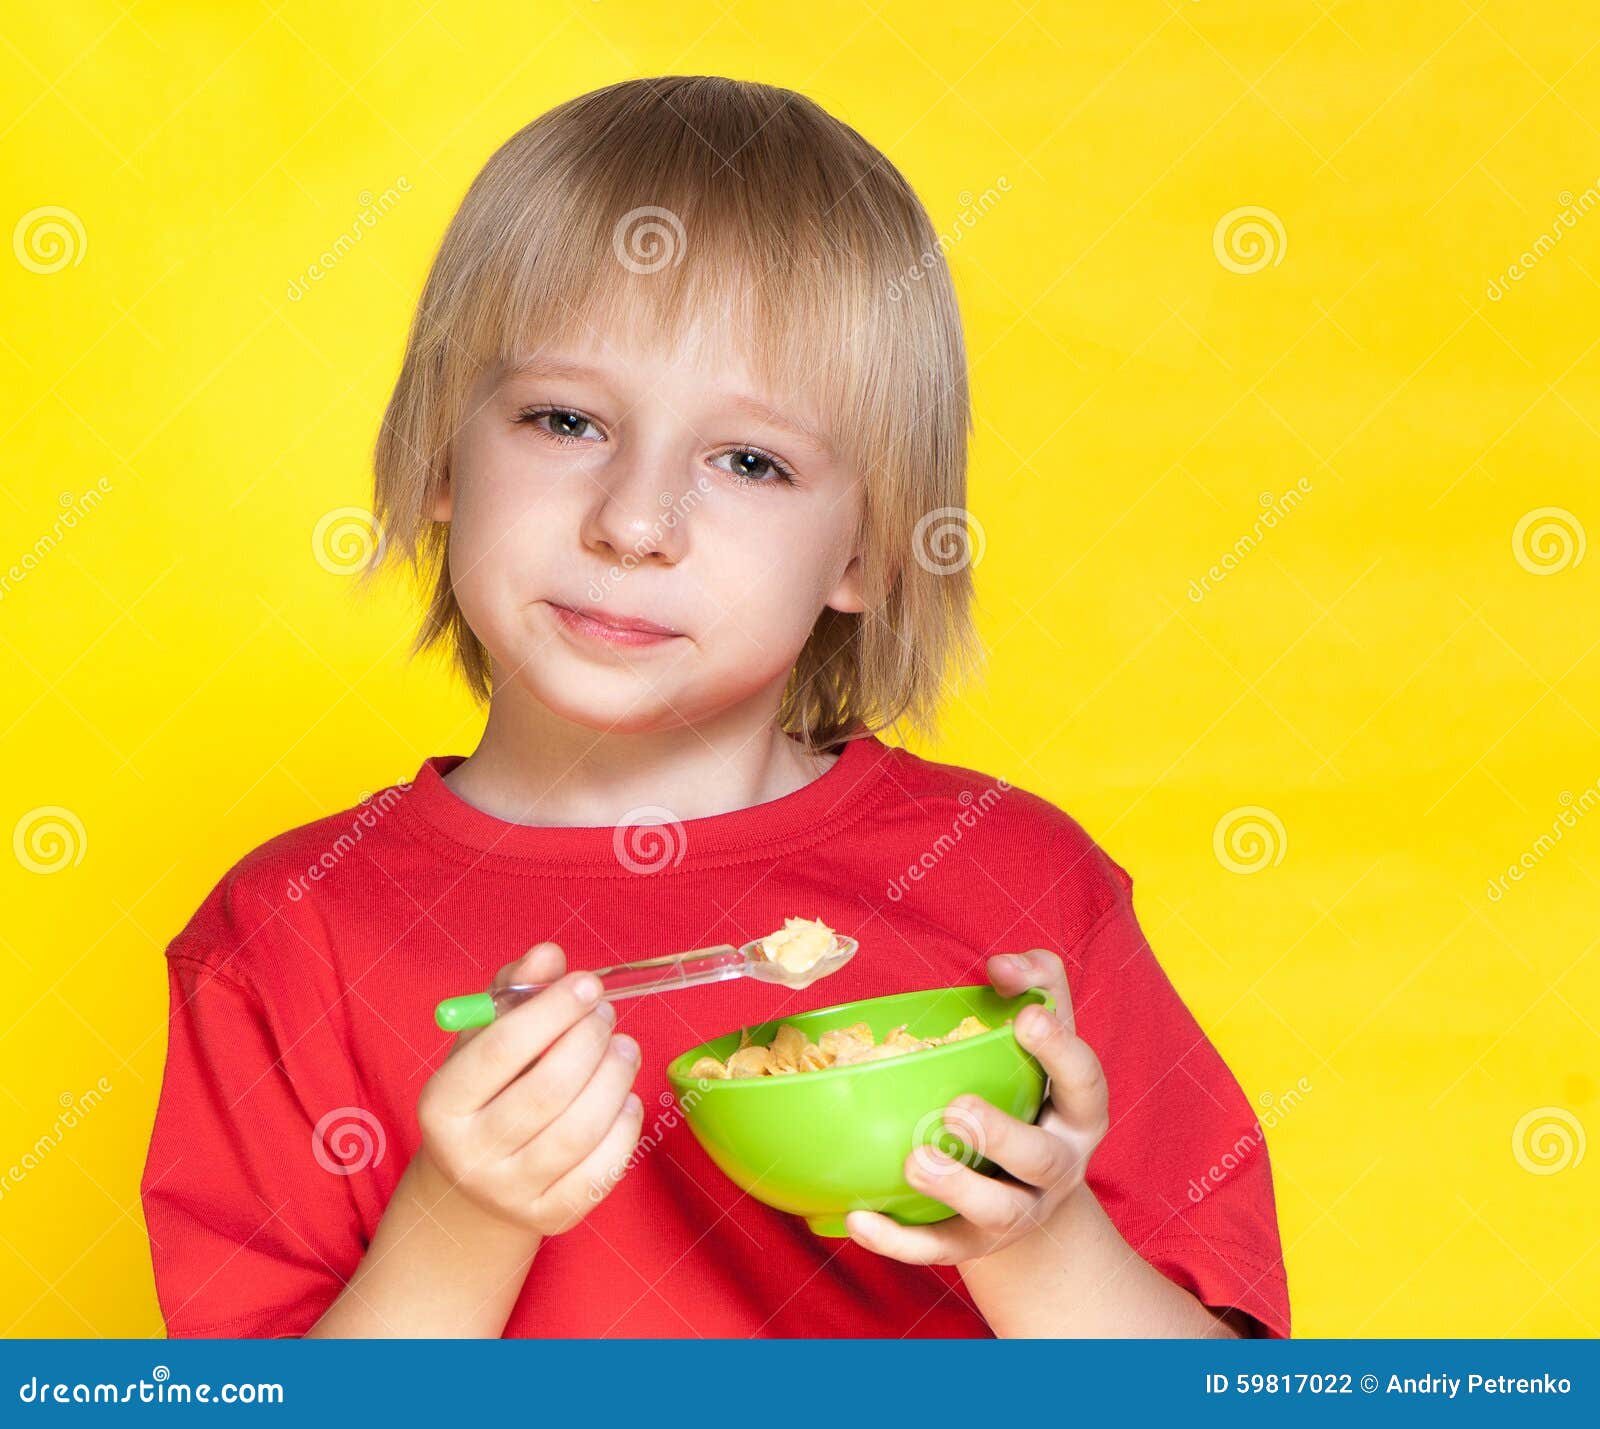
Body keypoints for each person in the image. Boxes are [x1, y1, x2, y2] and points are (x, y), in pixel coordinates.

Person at [140, 75, 1290, 1339]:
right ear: (440, 456)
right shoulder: (289, 936)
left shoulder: (1018, 889)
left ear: (868, 549)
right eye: (564, 419)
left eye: (749, 460)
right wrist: (459, 1218)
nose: (634, 522)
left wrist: (1037, 1238)